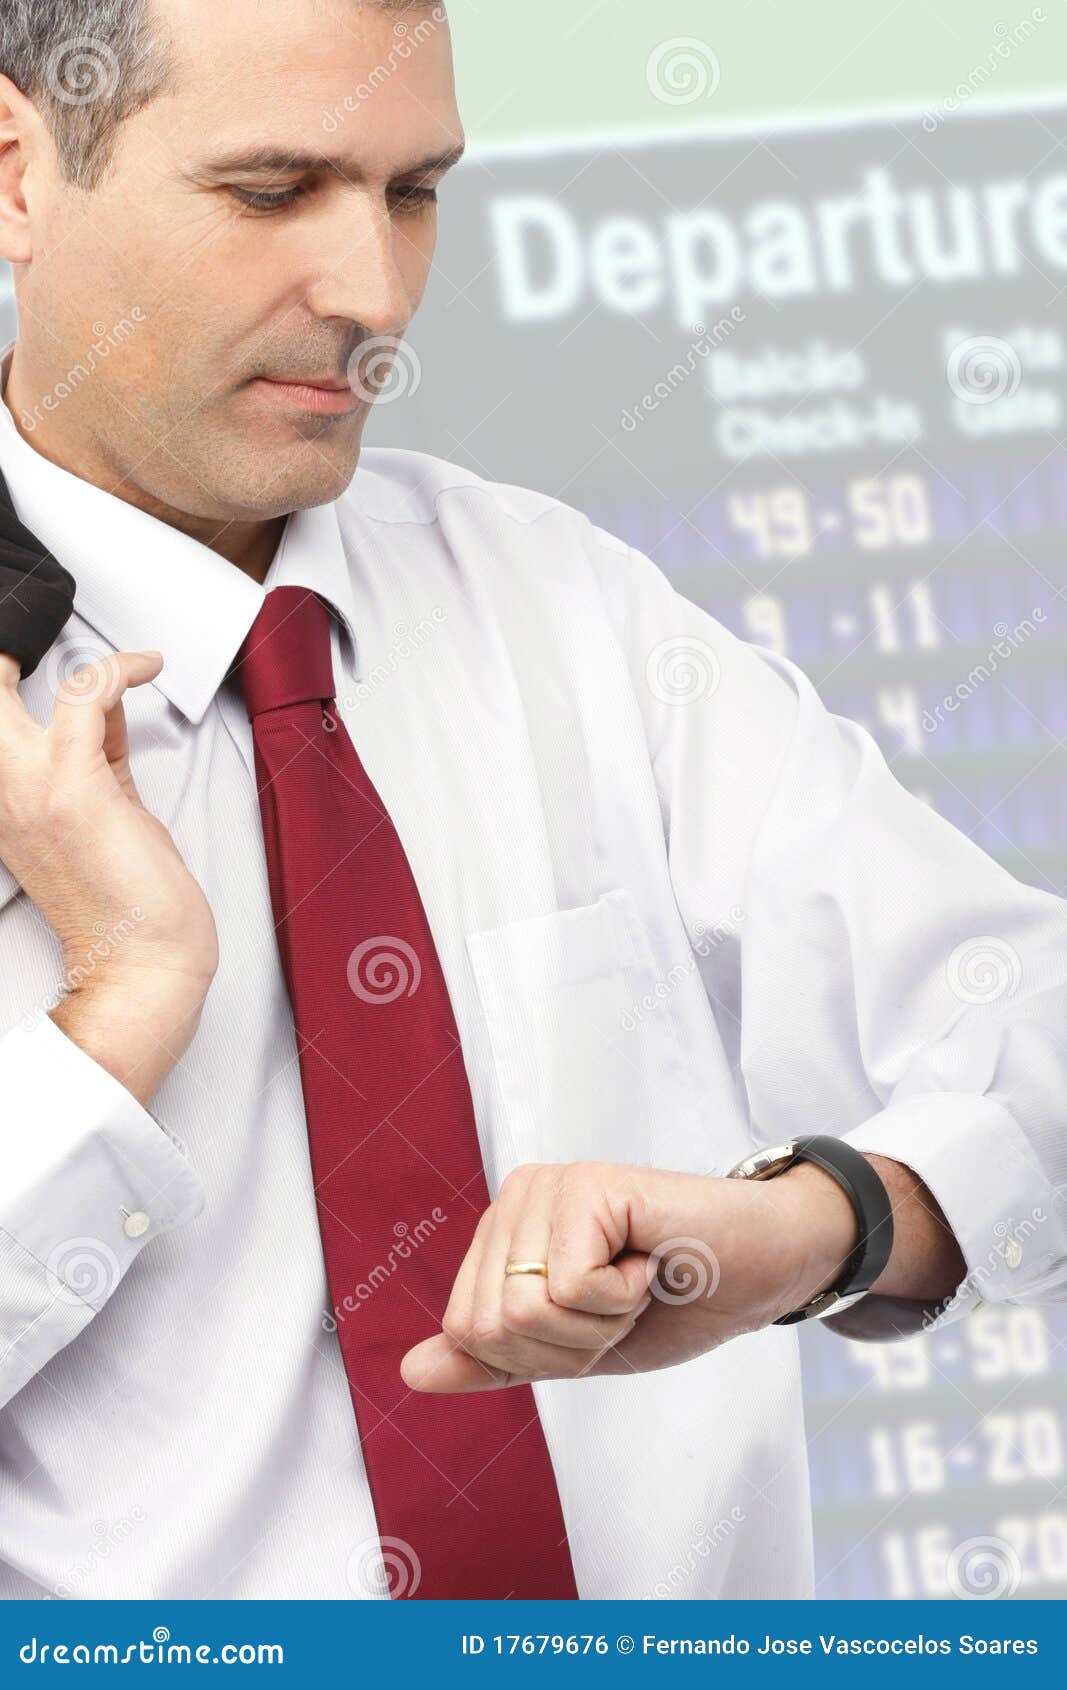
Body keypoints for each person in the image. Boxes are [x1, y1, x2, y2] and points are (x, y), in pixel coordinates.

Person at [0, 0, 1063, 1601]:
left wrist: (825, 1221)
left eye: (414, 190)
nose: (372, 296)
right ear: (17, 169)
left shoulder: (555, 604)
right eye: (273, 191)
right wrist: (120, 1008)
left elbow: (1027, 1012)